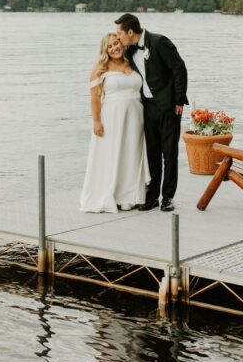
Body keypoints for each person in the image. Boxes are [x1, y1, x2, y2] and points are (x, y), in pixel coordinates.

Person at [114, 13, 188, 212]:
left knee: (169, 153)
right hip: (147, 107)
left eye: (119, 33)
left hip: (169, 106)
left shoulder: (158, 41)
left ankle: (168, 197)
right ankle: (152, 196)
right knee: (152, 152)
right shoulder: (129, 52)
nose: (118, 38)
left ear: (130, 32)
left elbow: (179, 68)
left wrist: (179, 99)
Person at [79, 32, 148, 213]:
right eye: (109, 46)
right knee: (114, 153)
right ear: (105, 50)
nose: (114, 48)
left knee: (132, 153)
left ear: (121, 43)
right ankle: (115, 194)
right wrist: (96, 121)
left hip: (136, 117)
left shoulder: (132, 63)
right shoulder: (101, 67)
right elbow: (94, 97)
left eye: (116, 43)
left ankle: (131, 195)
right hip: (112, 117)